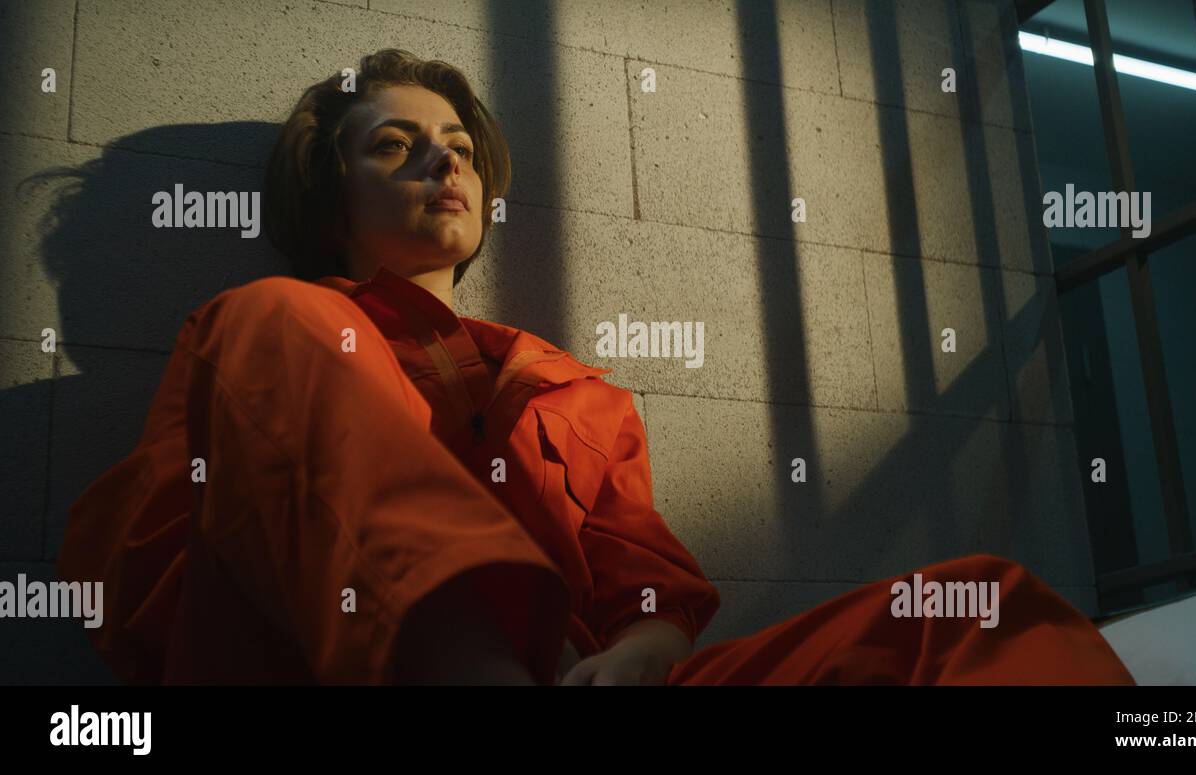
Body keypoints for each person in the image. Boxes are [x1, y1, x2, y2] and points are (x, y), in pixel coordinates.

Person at [57, 49, 1134, 686]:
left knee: (983, 605)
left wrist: (644, 649)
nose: (445, 159)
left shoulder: (566, 390)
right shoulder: (258, 329)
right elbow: (149, 580)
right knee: (287, 319)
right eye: (394, 145)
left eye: (460, 148)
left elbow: (647, 584)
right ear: (325, 194)